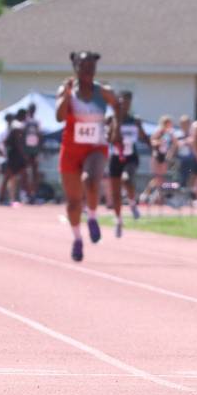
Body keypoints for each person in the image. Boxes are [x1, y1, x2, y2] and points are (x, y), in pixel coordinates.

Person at [56, 51, 120, 260]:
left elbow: (117, 105)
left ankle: (92, 216)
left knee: (91, 181)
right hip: (71, 150)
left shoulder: (104, 92)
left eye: (91, 67)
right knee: (73, 203)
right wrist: (65, 95)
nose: (87, 71)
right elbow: (59, 117)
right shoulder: (67, 90)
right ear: (75, 68)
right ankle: (77, 239)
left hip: (96, 147)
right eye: (83, 67)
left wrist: (115, 126)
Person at [108, 91, 148, 237]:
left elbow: (144, 138)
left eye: (127, 102)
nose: (124, 105)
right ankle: (118, 221)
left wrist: (153, 145)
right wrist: (115, 126)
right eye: (122, 102)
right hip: (115, 158)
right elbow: (109, 139)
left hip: (131, 157)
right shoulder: (111, 119)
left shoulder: (134, 120)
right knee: (116, 193)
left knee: (126, 179)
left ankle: (132, 203)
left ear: (130, 104)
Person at [142, 115, 176, 204]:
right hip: (157, 156)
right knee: (157, 177)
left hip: (164, 156)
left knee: (161, 178)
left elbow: (175, 144)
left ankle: (157, 196)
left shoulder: (171, 133)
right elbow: (152, 141)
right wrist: (159, 142)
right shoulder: (159, 132)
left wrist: (170, 153)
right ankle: (149, 194)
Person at [23, 103, 43, 202]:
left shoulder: (36, 122)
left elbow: (39, 135)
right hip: (26, 151)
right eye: (31, 109)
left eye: (33, 109)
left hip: (34, 150)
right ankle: (26, 193)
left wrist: (39, 148)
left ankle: (33, 193)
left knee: (34, 172)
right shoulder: (25, 121)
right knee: (26, 172)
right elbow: (22, 136)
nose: (32, 111)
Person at [174, 115, 196, 193]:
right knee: (179, 176)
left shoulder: (193, 134)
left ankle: (189, 192)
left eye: (186, 123)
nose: (185, 125)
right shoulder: (177, 134)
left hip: (191, 158)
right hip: (180, 158)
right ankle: (179, 191)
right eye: (183, 123)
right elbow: (175, 146)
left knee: (190, 175)